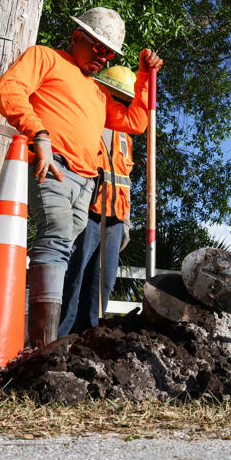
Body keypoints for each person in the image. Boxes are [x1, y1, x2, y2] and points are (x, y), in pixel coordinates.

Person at [0, 7, 163, 348]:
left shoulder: (98, 92)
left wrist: (144, 76)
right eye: (98, 47)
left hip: (86, 184)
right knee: (55, 240)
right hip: (54, 165)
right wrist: (39, 133)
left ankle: (44, 343)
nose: (103, 57)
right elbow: (8, 90)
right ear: (76, 37)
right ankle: (43, 346)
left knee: (62, 251)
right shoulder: (46, 58)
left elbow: (135, 123)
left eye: (109, 53)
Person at [58, 66, 137, 337]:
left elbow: (125, 180)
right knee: (73, 280)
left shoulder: (126, 137)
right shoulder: (88, 123)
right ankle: (58, 341)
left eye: (125, 100)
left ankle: (88, 342)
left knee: (101, 287)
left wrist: (126, 224)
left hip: (114, 222)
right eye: (117, 97)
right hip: (87, 214)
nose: (121, 104)